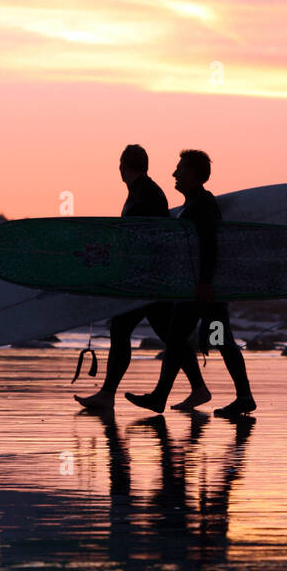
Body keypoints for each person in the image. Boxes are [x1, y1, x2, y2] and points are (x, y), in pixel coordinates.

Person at [74, 145, 211, 413]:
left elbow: (143, 238)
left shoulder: (146, 193)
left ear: (122, 166)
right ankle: (198, 388)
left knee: (121, 329)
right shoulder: (144, 191)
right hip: (150, 279)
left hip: (147, 280)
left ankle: (107, 394)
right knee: (167, 335)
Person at [127, 149, 256, 418]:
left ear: (195, 176)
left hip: (202, 291)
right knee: (182, 339)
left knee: (214, 340)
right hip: (195, 289)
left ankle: (243, 397)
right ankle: (161, 396)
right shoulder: (194, 205)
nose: (174, 174)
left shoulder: (203, 206)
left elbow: (210, 245)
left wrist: (205, 283)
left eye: (180, 170)